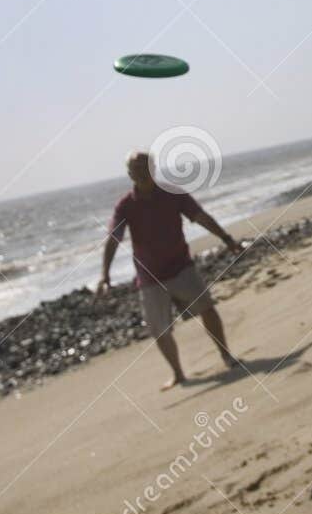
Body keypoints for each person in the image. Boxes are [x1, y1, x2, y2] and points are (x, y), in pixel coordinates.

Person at [97, 151, 244, 390]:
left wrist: (226, 239)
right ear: (129, 174)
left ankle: (226, 355)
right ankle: (178, 373)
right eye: (136, 168)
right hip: (149, 276)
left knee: (207, 308)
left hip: (180, 266)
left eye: (145, 166)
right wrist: (105, 273)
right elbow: (114, 238)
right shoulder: (125, 206)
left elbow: (201, 217)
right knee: (159, 330)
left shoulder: (173, 194)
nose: (142, 171)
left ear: (154, 168)